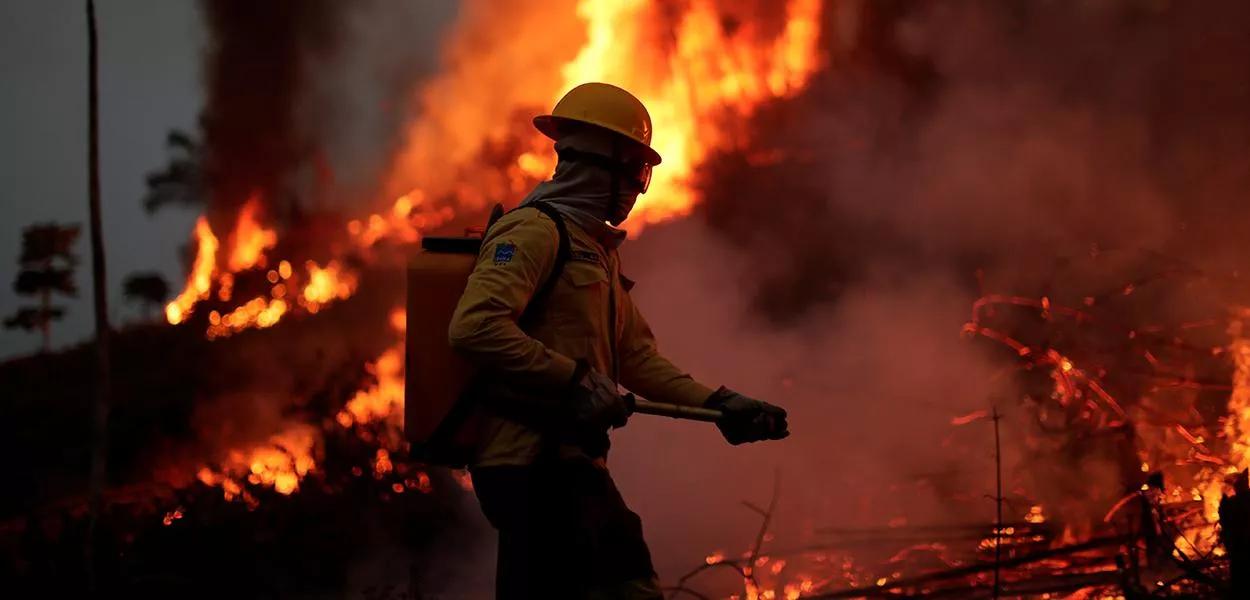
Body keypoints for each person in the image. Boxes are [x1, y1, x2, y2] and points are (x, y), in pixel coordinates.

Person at [448, 82, 789, 599]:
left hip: (567, 464)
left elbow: (636, 358)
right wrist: (578, 380)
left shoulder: (595, 251)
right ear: (595, 163)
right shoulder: (535, 233)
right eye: (634, 170)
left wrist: (720, 405)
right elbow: (474, 327)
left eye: (642, 173)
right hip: (530, 465)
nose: (638, 187)